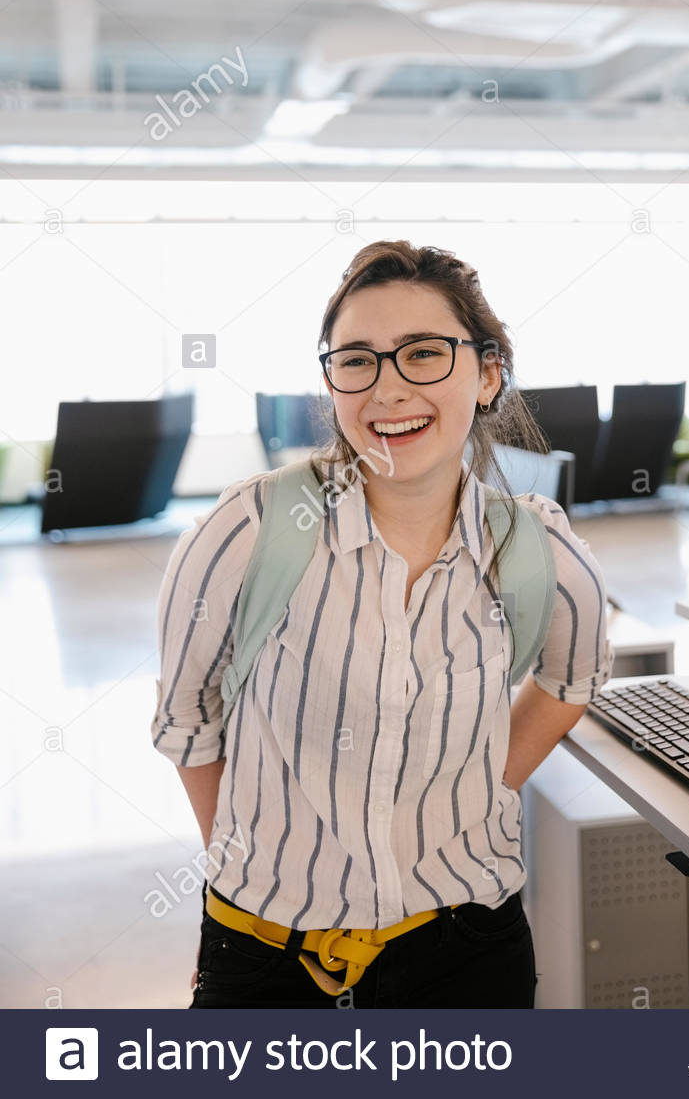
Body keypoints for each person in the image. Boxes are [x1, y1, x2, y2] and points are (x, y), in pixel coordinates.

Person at [151, 240, 611, 1008]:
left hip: (468, 947)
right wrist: (250, 866)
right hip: (266, 953)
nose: (388, 390)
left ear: (488, 372)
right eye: (357, 360)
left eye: (423, 354)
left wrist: (478, 792)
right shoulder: (249, 529)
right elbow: (186, 716)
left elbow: (573, 680)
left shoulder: (539, 549)